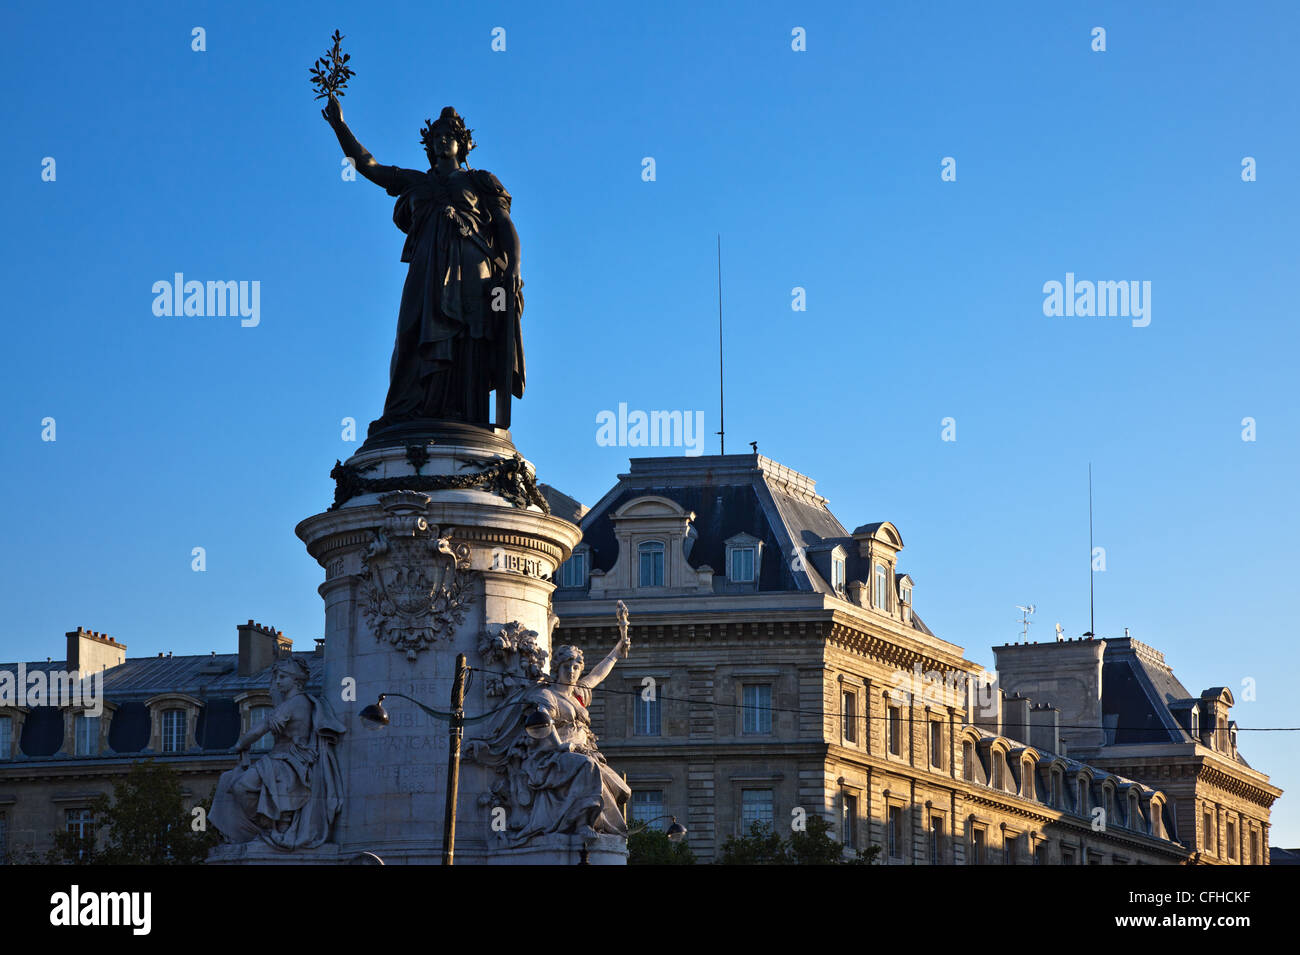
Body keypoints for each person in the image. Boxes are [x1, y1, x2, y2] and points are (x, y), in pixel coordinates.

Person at [322, 95, 524, 430]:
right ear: (428, 146)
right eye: (437, 137)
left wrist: (514, 267)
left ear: (463, 145)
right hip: (425, 269)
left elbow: (504, 226)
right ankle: (409, 411)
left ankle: (466, 416)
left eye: (450, 136)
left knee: (467, 339)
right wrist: (340, 126)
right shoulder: (416, 181)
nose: (443, 140)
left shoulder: (480, 181)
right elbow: (368, 166)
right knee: (411, 332)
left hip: (473, 270)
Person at [210, 656, 345, 850]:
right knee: (236, 785)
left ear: (296, 681)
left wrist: (240, 744)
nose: (278, 681)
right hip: (278, 759)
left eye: (283, 677)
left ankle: (270, 827)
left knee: (240, 786)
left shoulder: (295, 703)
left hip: (289, 762)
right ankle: (271, 826)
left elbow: (259, 729)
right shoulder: (294, 702)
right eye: (277, 677)